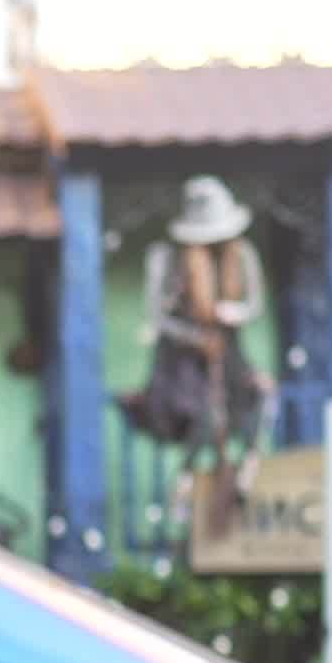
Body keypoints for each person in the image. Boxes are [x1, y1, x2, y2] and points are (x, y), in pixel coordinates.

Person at [121, 175, 272, 535]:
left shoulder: (241, 255)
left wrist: (228, 315)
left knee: (258, 398)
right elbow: (159, 316)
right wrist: (195, 338)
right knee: (202, 412)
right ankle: (185, 483)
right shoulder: (168, 259)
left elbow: (253, 304)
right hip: (181, 361)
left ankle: (246, 471)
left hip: (229, 351)